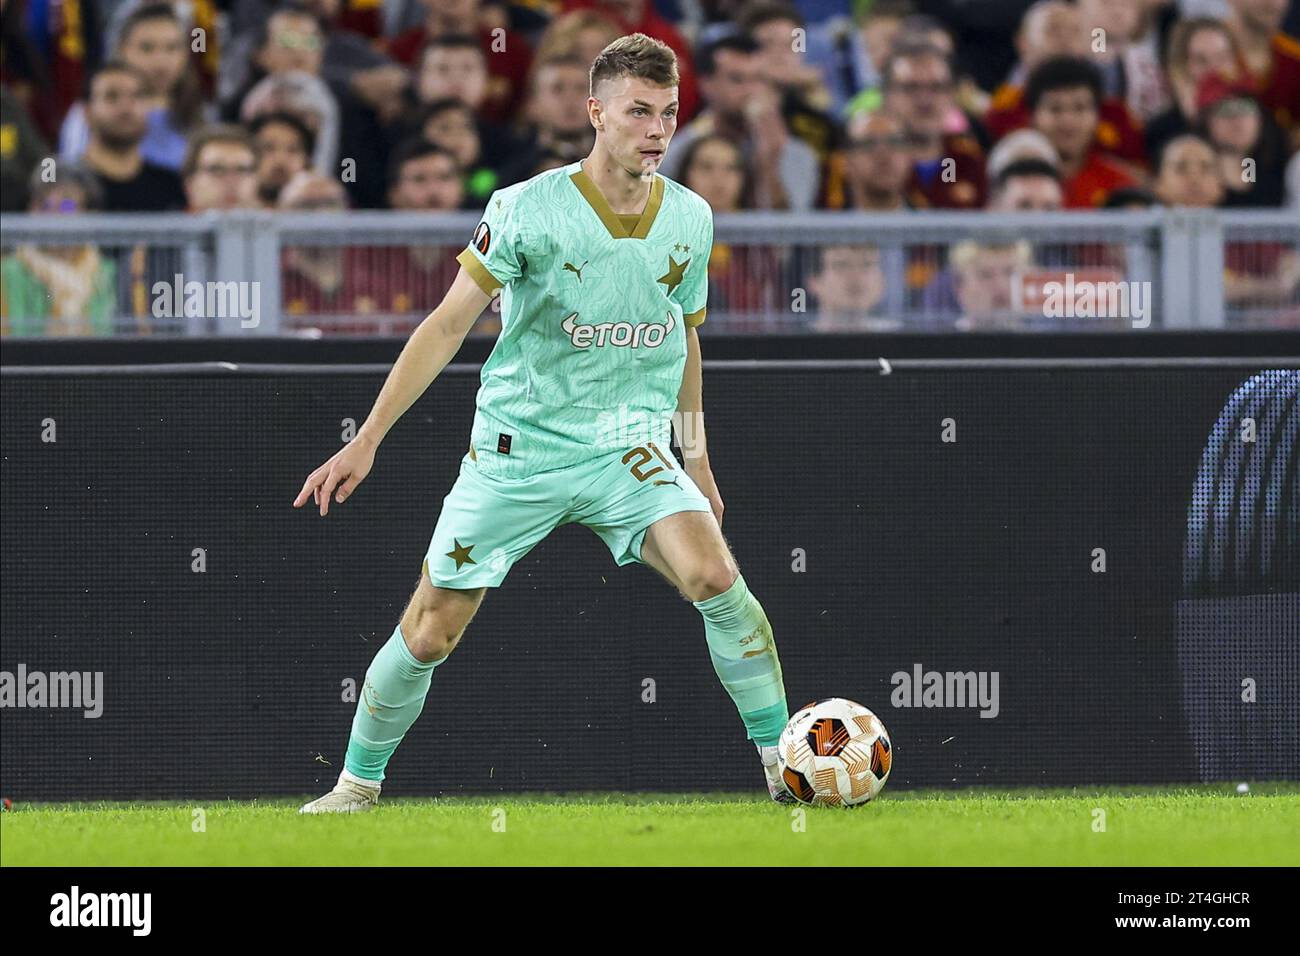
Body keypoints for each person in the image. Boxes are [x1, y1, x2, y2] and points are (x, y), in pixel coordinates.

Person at [295, 33, 792, 812]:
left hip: (629, 447)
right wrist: (368, 436)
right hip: (518, 450)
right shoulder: (526, 208)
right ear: (596, 113)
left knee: (718, 580)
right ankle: (356, 784)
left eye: (668, 113)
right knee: (430, 631)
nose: (657, 130)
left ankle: (784, 766)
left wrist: (694, 459)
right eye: (638, 112)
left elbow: (684, 337)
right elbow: (448, 322)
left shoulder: (691, 217)